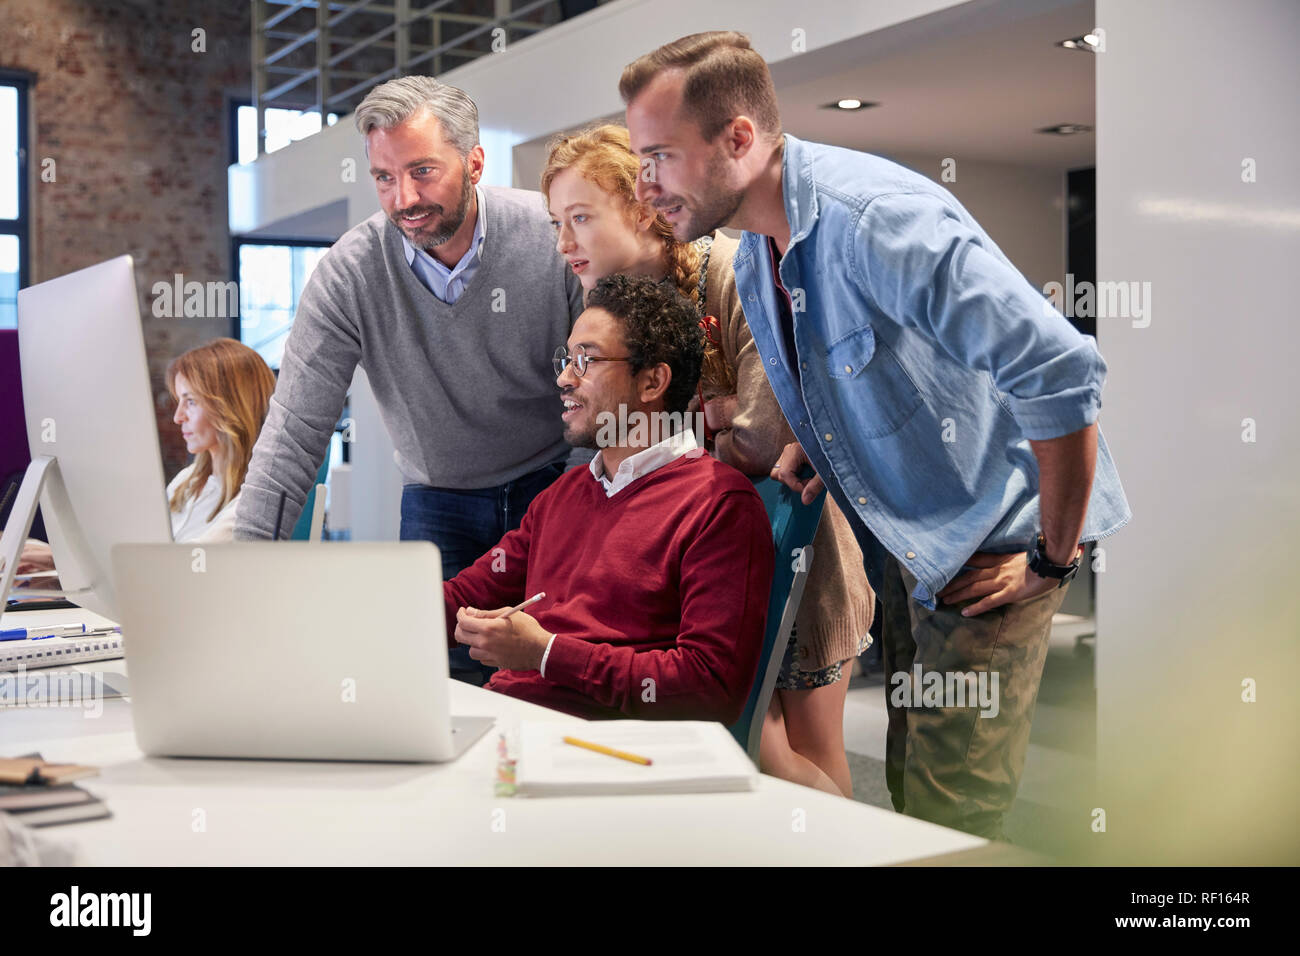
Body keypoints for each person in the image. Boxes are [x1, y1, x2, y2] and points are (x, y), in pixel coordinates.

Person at [620, 32, 1131, 839]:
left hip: (996, 539)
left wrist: (1053, 558)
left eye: (660, 158)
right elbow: (851, 369)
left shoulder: (880, 222)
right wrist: (819, 440)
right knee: (907, 771)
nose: (645, 188)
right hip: (909, 529)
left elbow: (1062, 373)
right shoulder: (756, 245)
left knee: (951, 802)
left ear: (740, 140)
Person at [540, 124, 871, 797]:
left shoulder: (733, 268)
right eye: (556, 222)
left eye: (579, 218)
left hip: (793, 554)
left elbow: (765, 433)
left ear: (640, 207)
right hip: (697, 567)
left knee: (796, 760)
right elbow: (619, 443)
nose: (563, 244)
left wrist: (704, 427)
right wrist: (711, 413)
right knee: (742, 755)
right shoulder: (600, 302)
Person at [232, 75, 584, 687]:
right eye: (385, 179)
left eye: (423, 172)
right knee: (438, 692)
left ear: (474, 160)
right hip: (438, 501)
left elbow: (605, 392)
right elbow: (292, 434)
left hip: (554, 489)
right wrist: (240, 575)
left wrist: (584, 501)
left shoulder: (552, 237)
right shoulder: (349, 273)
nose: (404, 199)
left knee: (551, 684)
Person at [445, 273, 774, 722]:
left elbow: (711, 688)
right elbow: (463, 596)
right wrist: (362, 621)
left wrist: (545, 653)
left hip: (600, 750)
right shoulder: (564, 494)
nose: (564, 377)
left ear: (652, 381)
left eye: (587, 360)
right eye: (567, 358)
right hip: (510, 722)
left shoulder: (719, 505)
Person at [10, 338, 275, 580]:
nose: (178, 417)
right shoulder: (188, 481)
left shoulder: (254, 502)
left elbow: (170, 566)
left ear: (230, 407)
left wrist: (58, 558)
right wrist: (56, 567)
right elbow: (145, 553)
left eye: (191, 401)